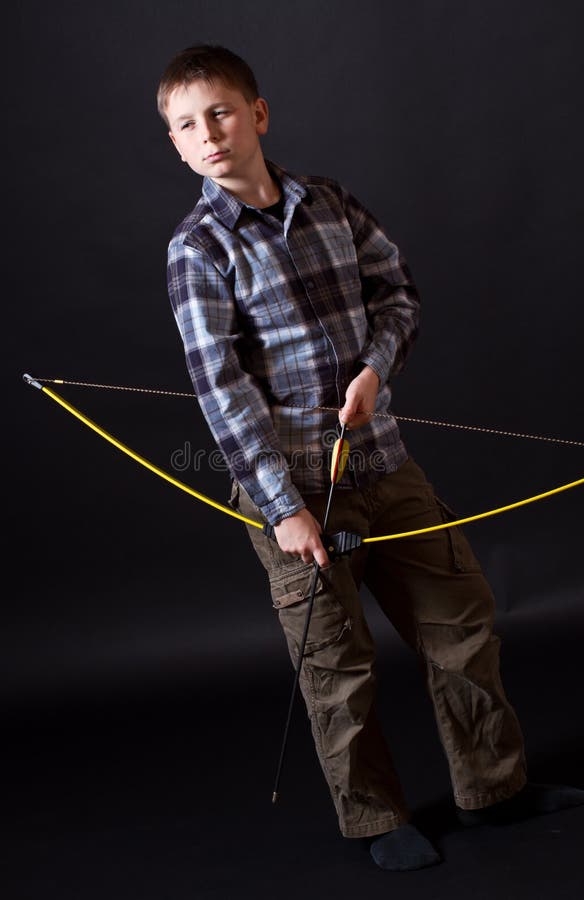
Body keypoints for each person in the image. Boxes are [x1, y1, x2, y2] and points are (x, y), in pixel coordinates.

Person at [156, 44, 584, 871]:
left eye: (220, 112)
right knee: (337, 665)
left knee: (461, 624)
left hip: (383, 462)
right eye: (184, 124)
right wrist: (283, 507)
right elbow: (222, 391)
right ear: (174, 144)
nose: (207, 133)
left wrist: (374, 369)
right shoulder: (197, 250)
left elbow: (398, 292)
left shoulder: (328, 201)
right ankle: (376, 818)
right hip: (295, 490)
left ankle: (495, 791)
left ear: (258, 115)